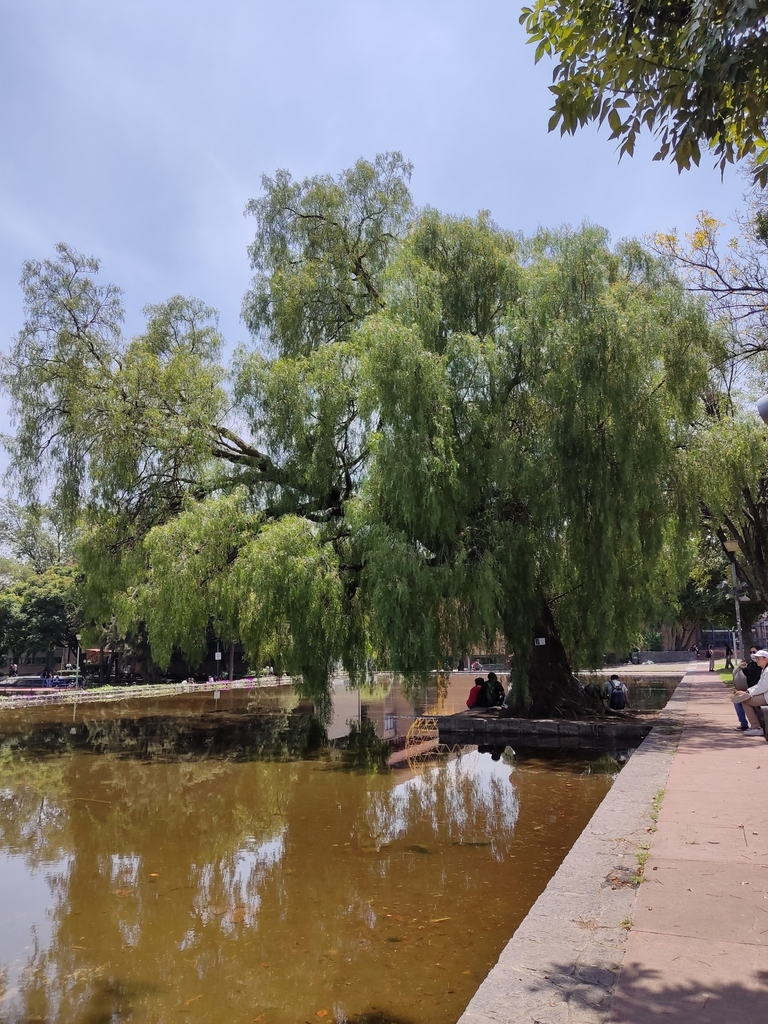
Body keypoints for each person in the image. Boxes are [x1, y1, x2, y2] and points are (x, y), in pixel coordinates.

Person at [734, 648, 768, 735]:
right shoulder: (764, 670)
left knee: (745, 701)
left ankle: (756, 727)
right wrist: (747, 691)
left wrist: (747, 693)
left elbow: (763, 687)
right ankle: (753, 726)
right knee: (743, 699)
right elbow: (759, 685)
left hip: (765, 696)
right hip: (764, 695)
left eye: (758, 658)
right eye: (756, 658)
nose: (756, 660)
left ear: (766, 659)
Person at [732, 660, 750, 731]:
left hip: (756, 693)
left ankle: (755, 725)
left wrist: (747, 691)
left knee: (744, 702)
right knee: (737, 701)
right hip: (748, 691)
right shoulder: (738, 670)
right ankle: (744, 724)